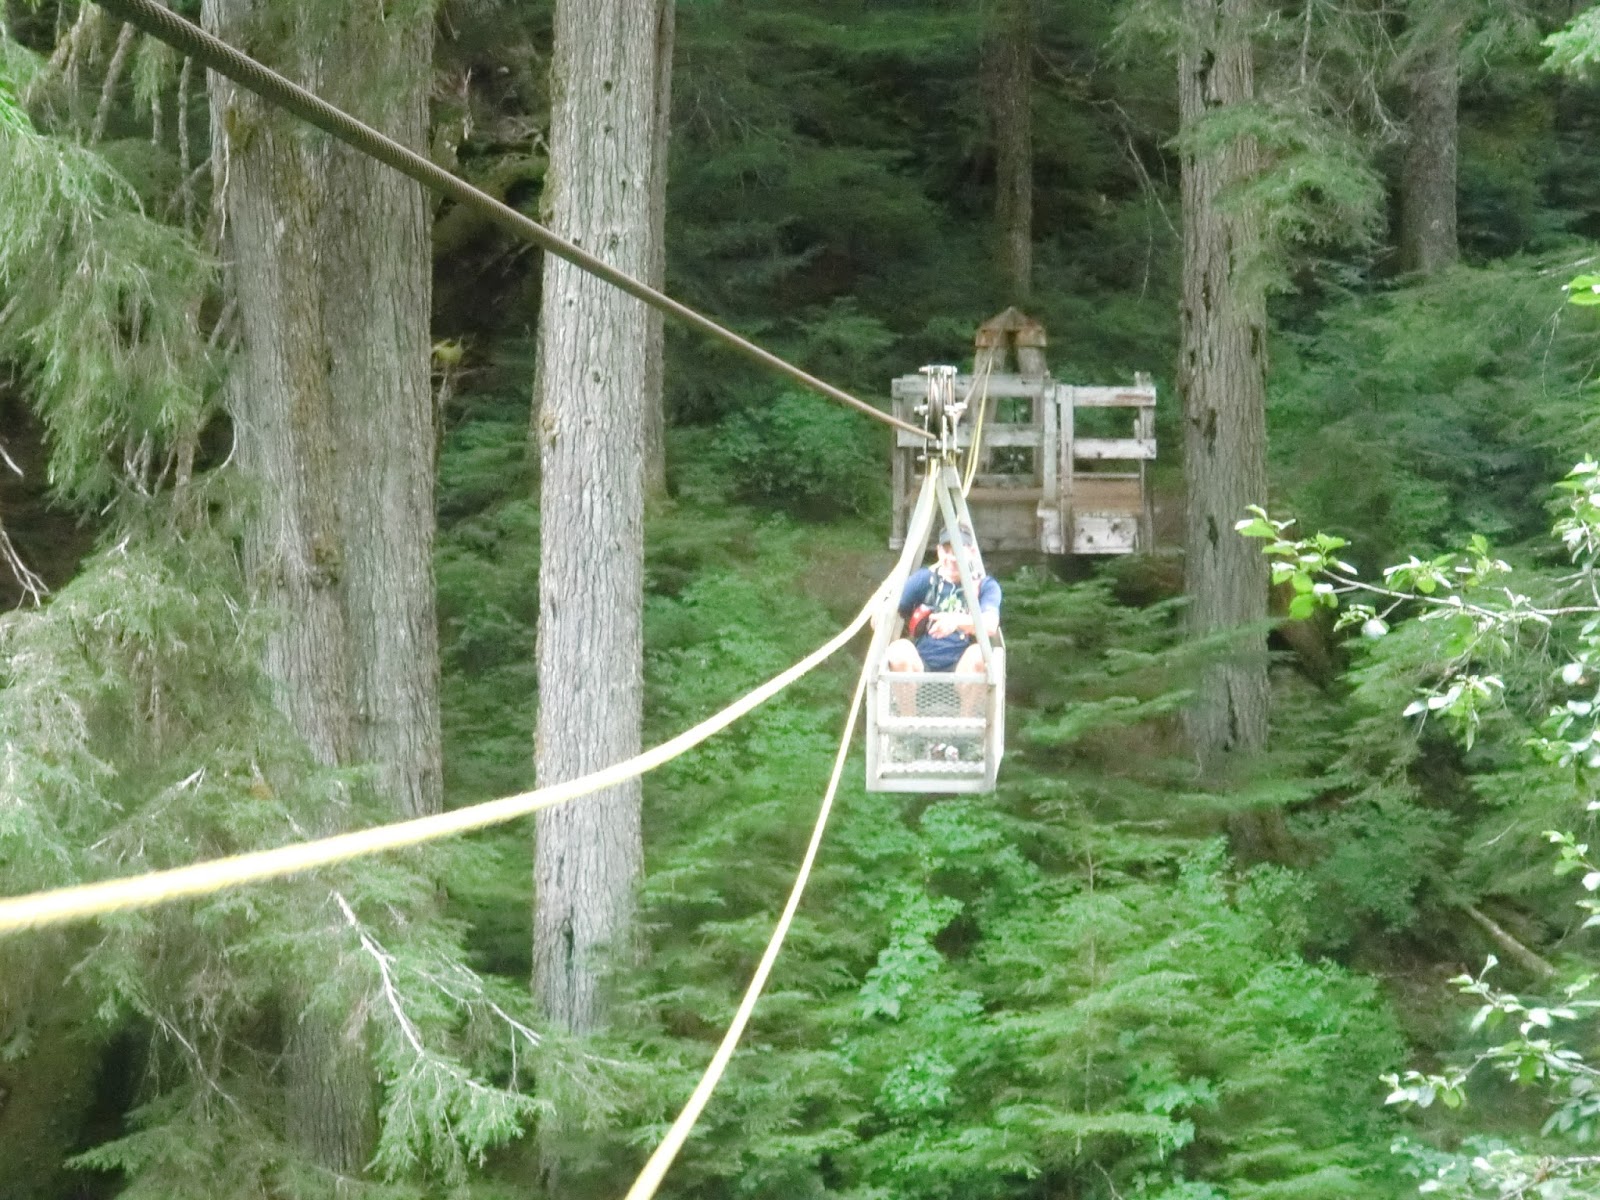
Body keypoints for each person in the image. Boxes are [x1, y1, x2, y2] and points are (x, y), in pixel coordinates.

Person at [885, 524, 1000, 760]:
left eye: (959, 550)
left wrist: (956, 621)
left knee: (981, 654)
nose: (953, 558)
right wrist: (881, 613)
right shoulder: (926, 581)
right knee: (897, 650)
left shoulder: (984, 587)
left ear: (971, 553)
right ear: (939, 552)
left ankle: (964, 738)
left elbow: (990, 625)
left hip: (962, 670)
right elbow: (890, 611)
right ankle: (910, 737)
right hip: (922, 666)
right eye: (948, 550)